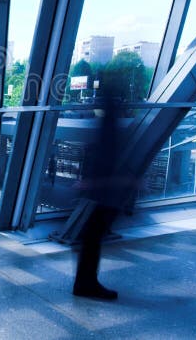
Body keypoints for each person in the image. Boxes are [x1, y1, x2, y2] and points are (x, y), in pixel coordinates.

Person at [72, 94, 132, 301]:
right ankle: (86, 283)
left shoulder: (105, 121)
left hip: (102, 187)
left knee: (92, 234)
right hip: (105, 189)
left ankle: (85, 282)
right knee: (93, 234)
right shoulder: (111, 123)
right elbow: (107, 158)